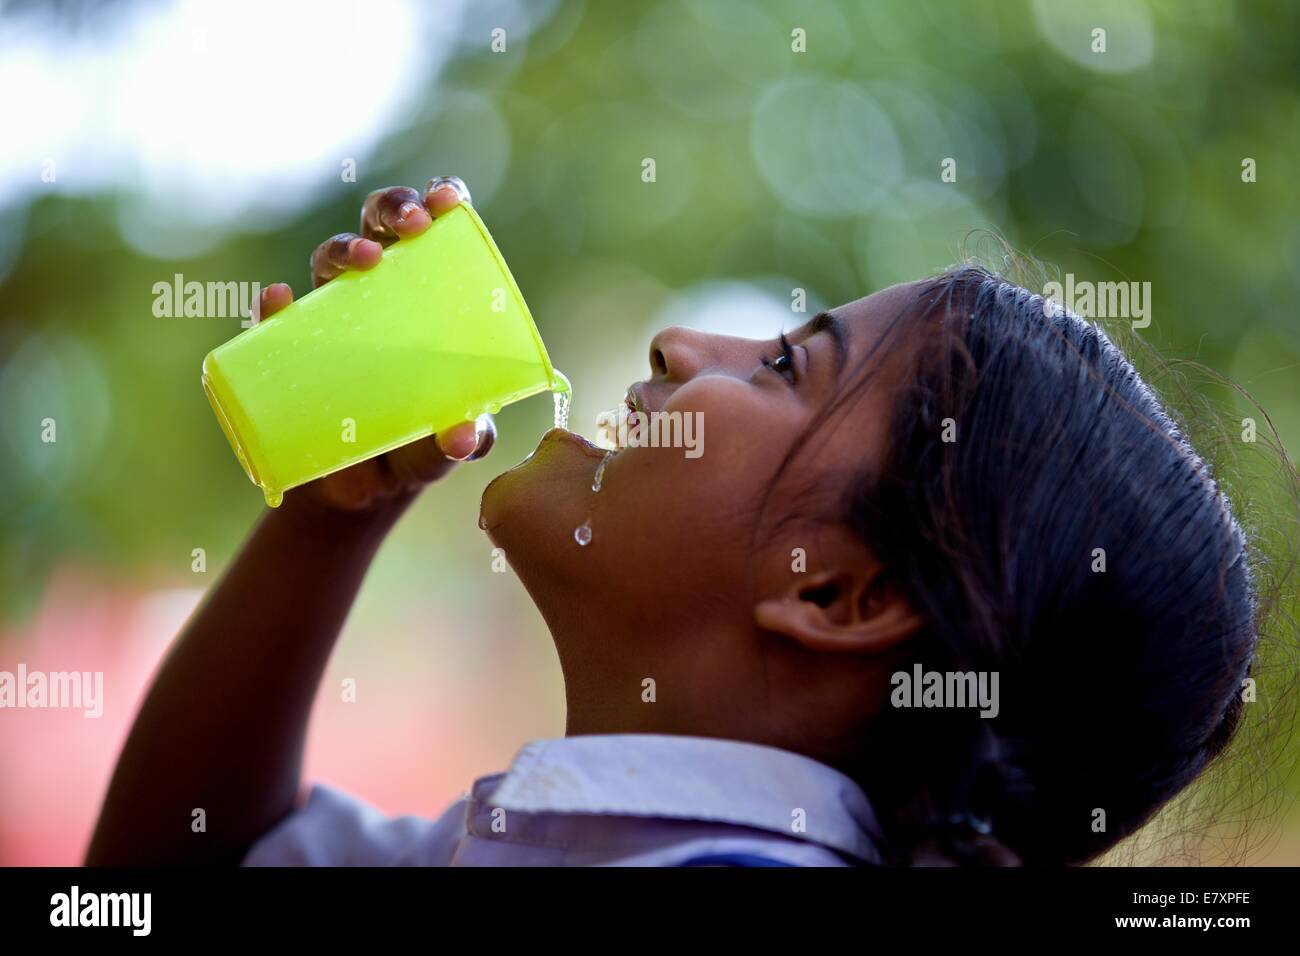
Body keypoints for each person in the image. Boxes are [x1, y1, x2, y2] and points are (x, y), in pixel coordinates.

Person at [86, 175, 1286, 867]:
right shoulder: (561, 840)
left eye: (779, 367)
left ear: (836, 593)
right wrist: (331, 517)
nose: (677, 344)